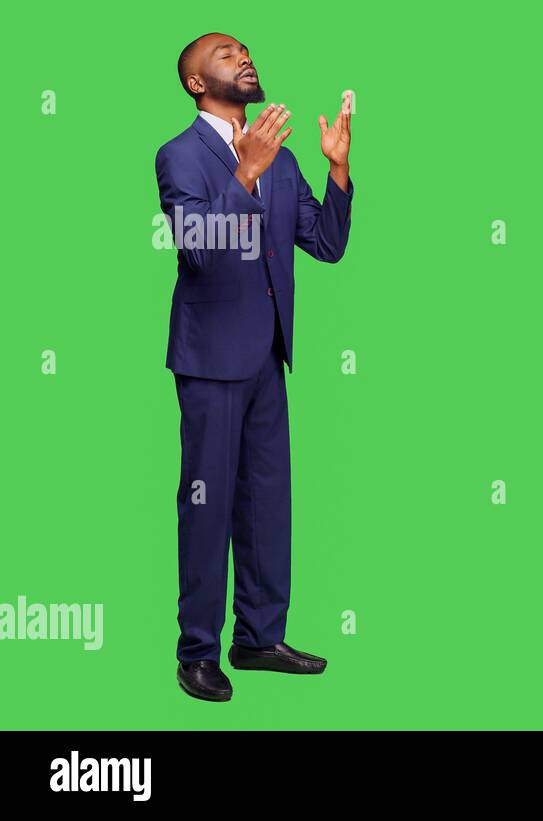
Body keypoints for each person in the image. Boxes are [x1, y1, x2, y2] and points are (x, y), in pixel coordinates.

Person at [157, 32, 354, 701]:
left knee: (267, 504)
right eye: (223, 54)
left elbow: (324, 244)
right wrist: (245, 173)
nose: (242, 57)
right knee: (207, 508)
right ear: (195, 82)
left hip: (269, 356)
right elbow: (198, 250)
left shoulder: (287, 158)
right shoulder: (179, 156)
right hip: (211, 360)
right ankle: (197, 652)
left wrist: (337, 173)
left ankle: (260, 638)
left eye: (244, 50)